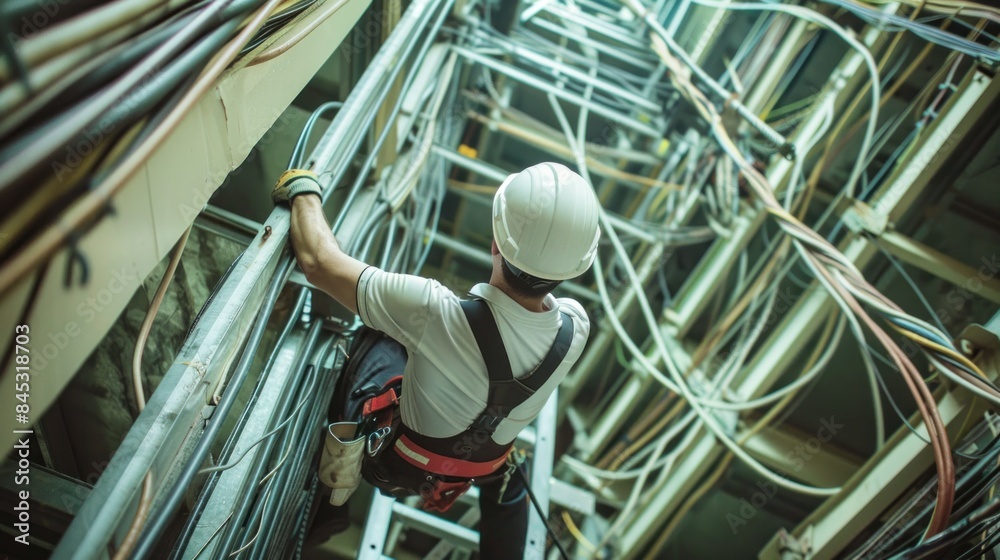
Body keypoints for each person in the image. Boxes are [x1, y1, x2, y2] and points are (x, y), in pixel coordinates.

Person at [273, 161, 601, 559]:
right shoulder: (576, 330)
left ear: (496, 242)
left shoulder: (432, 311)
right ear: (575, 268)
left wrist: (303, 188)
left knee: (379, 335)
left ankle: (328, 502)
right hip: (472, 472)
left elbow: (318, 262)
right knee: (511, 477)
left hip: (388, 462)